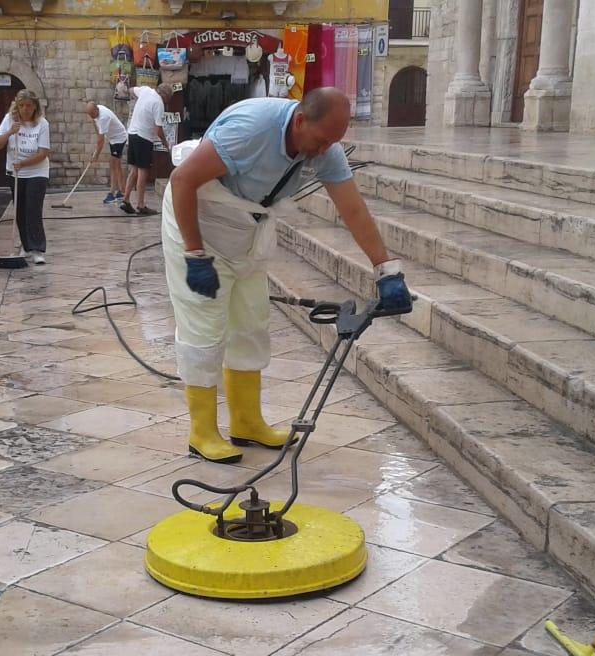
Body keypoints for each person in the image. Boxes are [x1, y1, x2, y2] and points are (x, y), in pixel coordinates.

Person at [164, 87, 412, 464]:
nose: (323, 151)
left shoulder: (324, 147)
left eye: (332, 143)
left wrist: (386, 269)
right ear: (300, 119)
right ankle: (202, 432)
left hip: (245, 230)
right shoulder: (251, 129)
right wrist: (195, 253)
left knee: (250, 323)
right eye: (320, 140)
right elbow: (183, 181)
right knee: (204, 329)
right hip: (198, 224)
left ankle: (246, 422)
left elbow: (353, 210)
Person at [0, 90, 51, 264]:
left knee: (33, 209)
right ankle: (26, 246)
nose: (26, 109)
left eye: (29, 106)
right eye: (22, 105)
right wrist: (10, 132)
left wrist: (24, 164)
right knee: (20, 211)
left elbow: (43, 152)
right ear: (17, 106)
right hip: (15, 173)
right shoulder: (10, 120)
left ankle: (38, 248)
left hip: (37, 172)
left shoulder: (42, 124)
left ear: (35, 107)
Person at [118, 83, 173, 216]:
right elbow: (158, 130)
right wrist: (166, 143)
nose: (168, 101)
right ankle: (141, 205)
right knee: (143, 172)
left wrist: (124, 90)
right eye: (169, 98)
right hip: (144, 138)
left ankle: (125, 200)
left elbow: (131, 90)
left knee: (134, 170)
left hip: (132, 134)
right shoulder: (159, 103)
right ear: (165, 95)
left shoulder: (145, 90)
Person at [84, 101, 127, 204]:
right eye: (89, 115)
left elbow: (101, 140)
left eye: (92, 114)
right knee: (116, 165)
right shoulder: (97, 112)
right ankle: (122, 192)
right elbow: (98, 131)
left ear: (96, 110)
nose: (91, 116)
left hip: (119, 138)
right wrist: (93, 121)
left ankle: (112, 194)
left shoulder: (104, 117)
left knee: (114, 164)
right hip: (113, 139)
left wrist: (96, 156)